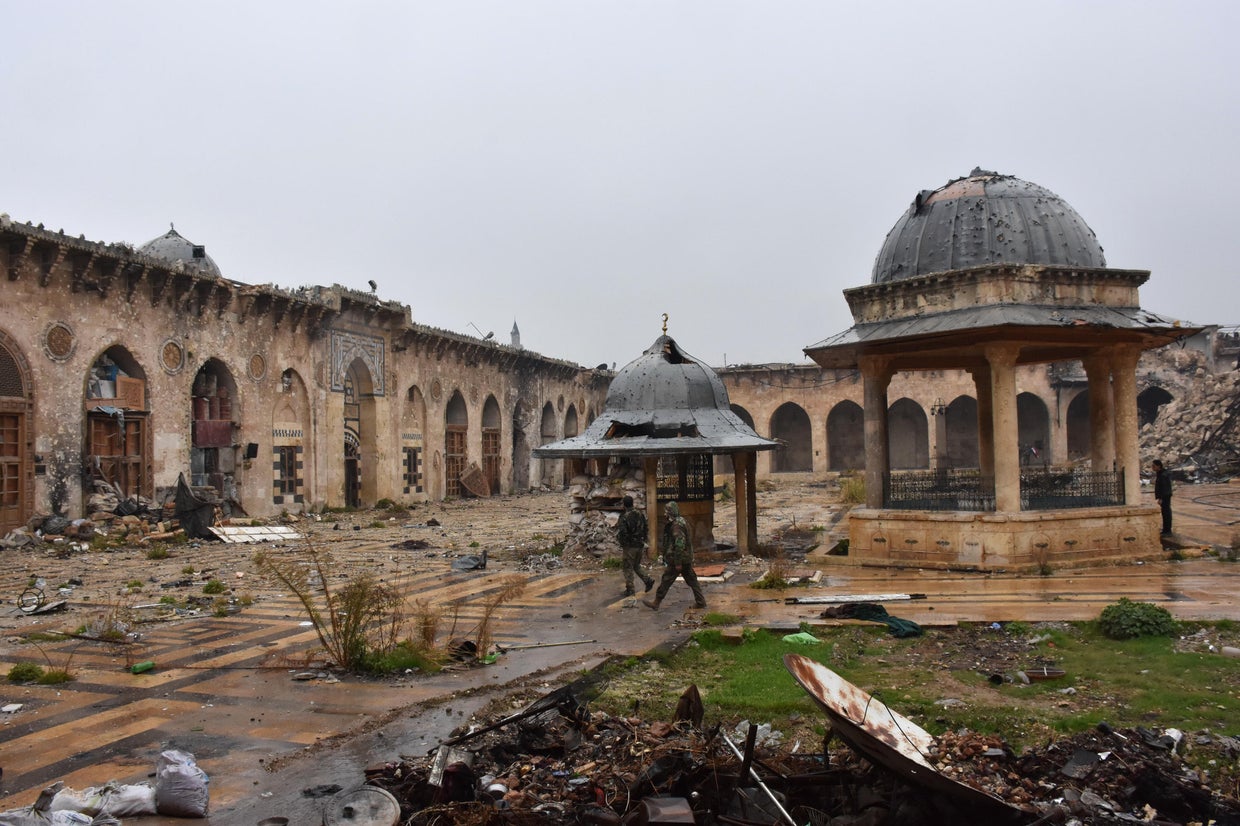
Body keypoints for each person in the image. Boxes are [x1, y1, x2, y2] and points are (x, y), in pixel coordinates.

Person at [643, 501, 707, 611]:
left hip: (678, 559)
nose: (665, 514)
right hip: (685, 558)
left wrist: (677, 562)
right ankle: (701, 602)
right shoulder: (682, 521)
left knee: (666, 580)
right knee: (692, 580)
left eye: (666, 512)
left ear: (670, 513)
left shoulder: (677, 525)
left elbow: (679, 544)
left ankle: (656, 602)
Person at [615, 495, 654, 597]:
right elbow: (646, 527)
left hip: (630, 546)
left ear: (624, 505)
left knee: (627, 567)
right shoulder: (640, 514)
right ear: (632, 503)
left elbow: (623, 532)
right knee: (636, 565)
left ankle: (630, 589)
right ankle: (648, 580)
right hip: (639, 544)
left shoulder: (624, 516)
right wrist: (643, 540)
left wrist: (623, 543)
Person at [1153, 459, 1173, 536]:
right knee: (1165, 513)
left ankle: (1167, 531)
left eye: (1154, 466)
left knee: (1166, 513)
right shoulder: (1160, 474)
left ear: (1159, 466)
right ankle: (1166, 529)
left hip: (1165, 497)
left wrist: (1161, 498)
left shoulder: (1163, 475)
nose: (1153, 468)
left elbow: (1164, 488)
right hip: (1165, 496)